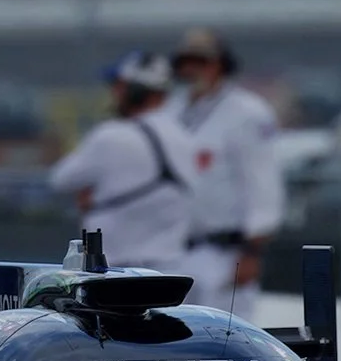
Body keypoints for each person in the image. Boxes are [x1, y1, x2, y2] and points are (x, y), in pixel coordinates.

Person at [47, 52, 197, 272]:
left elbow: (60, 179)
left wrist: (90, 193)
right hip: (173, 270)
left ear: (136, 91)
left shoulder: (111, 135)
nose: (114, 94)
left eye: (119, 86)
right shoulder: (186, 136)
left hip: (118, 272)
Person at [168, 27, 283, 312]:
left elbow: (263, 185)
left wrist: (252, 251)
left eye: (202, 61)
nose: (194, 69)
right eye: (187, 61)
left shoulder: (247, 112)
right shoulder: (173, 109)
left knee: (225, 332)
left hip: (225, 251)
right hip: (175, 251)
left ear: (221, 64)